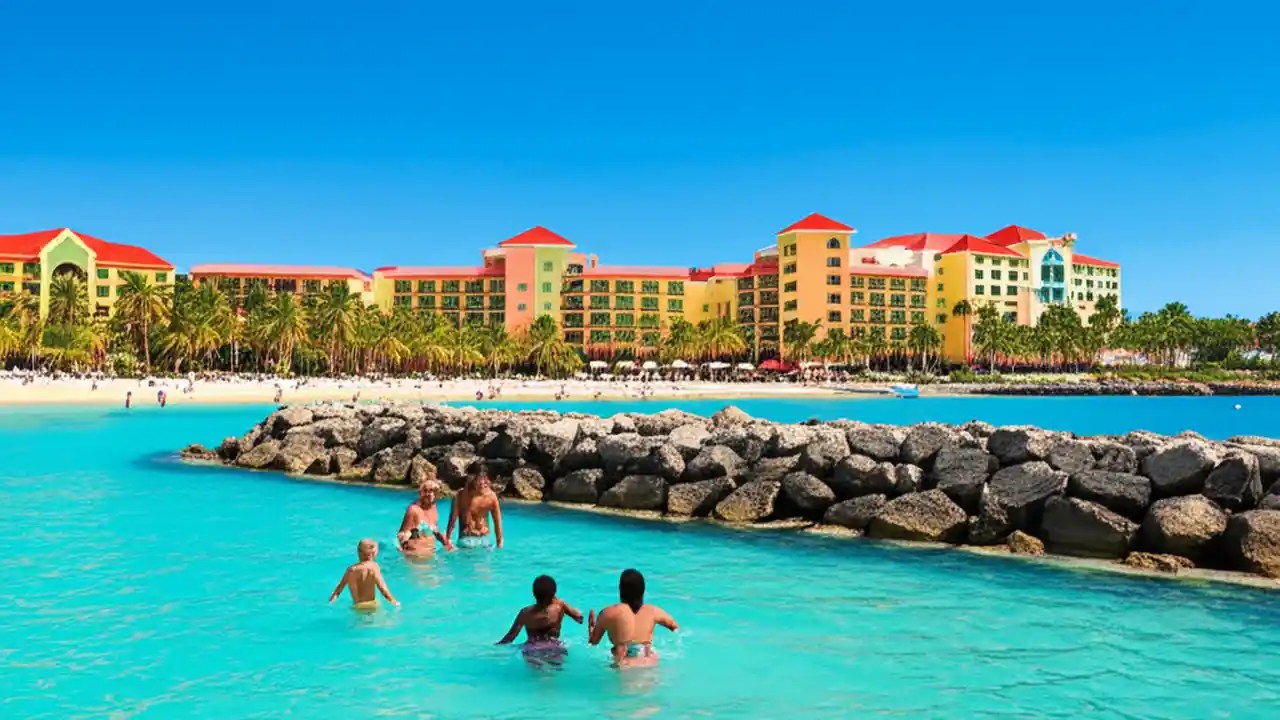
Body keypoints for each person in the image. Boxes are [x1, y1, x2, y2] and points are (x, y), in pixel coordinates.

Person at [588, 569, 678, 668]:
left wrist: (591, 628)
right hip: (647, 659)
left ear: (620, 591)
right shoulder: (652, 611)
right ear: (643, 591)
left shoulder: (607, 613)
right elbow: (674, 626)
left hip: (624, 662)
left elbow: (594, 642)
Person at [497, 575, 583, 661]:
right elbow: (579, 618)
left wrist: (496, 647)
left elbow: (510, 636)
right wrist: (560, 601)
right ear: (554, 593)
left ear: (534, 593)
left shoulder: (525, 613)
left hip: (531, 649)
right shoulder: (559, 606)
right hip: (554, 647)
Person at [446, 460, 504, 549]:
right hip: (483, 542)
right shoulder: (491, 496)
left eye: (484, 478)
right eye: (480, 478)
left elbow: (452, 521)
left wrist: (447, 540)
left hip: (469, 541)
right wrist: (499, 543)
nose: (482, 482)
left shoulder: (461, 496)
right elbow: (497, 522)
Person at [329, 539, 399, 610]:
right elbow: (383, 589)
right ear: (373, 553)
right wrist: (394, 601)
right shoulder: (373, 567)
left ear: (358, 552)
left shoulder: (350, 570)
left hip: (357, 607)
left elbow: (337, 591)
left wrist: (331, 603)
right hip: (371, 606)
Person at [397, 480, 454, 552]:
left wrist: (446, 543)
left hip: (430, 552)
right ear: (420, 493)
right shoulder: (413, 510)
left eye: (431, 491)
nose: (427, 494)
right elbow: (401, 534)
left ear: (436, 495)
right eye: (425, 491)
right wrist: (405, 539)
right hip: (414, 554)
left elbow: (434, 530)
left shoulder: (434, 510)